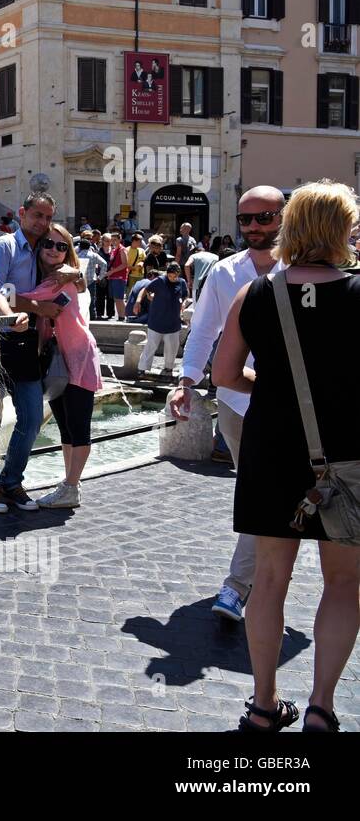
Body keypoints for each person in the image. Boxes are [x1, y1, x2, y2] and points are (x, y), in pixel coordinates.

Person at [211, 181, 360, 733]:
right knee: (344, 583)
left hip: (272, 449)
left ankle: (263, 705)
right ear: (342, 230)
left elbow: (224, 375)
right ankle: (321, 708)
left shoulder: (255, 294)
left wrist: (270, 390)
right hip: (347, 455)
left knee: (270, 580)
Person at [169, 187, 287, 624]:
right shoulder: (223, 272)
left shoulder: (308, 267)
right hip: (238, 400)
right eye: (245, 220)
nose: (254, 227)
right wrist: (185, 381)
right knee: (261, 492)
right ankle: (253, 582)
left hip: (297, 404)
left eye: (264, 218)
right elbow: (202, 331)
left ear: (283, 216)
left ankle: (239, 586)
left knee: (266, 494)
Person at [0, 193, 80, 513]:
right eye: (37, 216)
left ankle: (9, 481)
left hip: (29, 345)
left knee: (30, 418)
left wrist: (72, 273)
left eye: (48, 217)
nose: (42, 223)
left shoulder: (46, 249)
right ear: (22, 213)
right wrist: (38, 307)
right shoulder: (4, 247)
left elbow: (73, 275)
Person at [26, 225, 102, 509]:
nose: (53, 249)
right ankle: (70, 484)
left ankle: (71, 487)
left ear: (68, 251)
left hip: (79, 358)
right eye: (48, 243)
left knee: (78, 426)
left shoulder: (60, 278)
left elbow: (23, 298)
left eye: (61, 246)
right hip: (59, 361)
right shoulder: (61, 276)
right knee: (66, 427)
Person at [135, 263, 189, 375]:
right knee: (151, 345)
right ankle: (142, 368)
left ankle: (168, 368)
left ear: (178, 274)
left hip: (173, 321)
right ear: (167, 274)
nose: (172, 279)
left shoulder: (182, 282)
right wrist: (138, 302)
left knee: (172, 347)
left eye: (175, 276)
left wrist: (183, 303)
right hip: (157, 319)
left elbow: (185, 295)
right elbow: (146, 289)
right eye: (170, 276)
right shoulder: (160, 280)